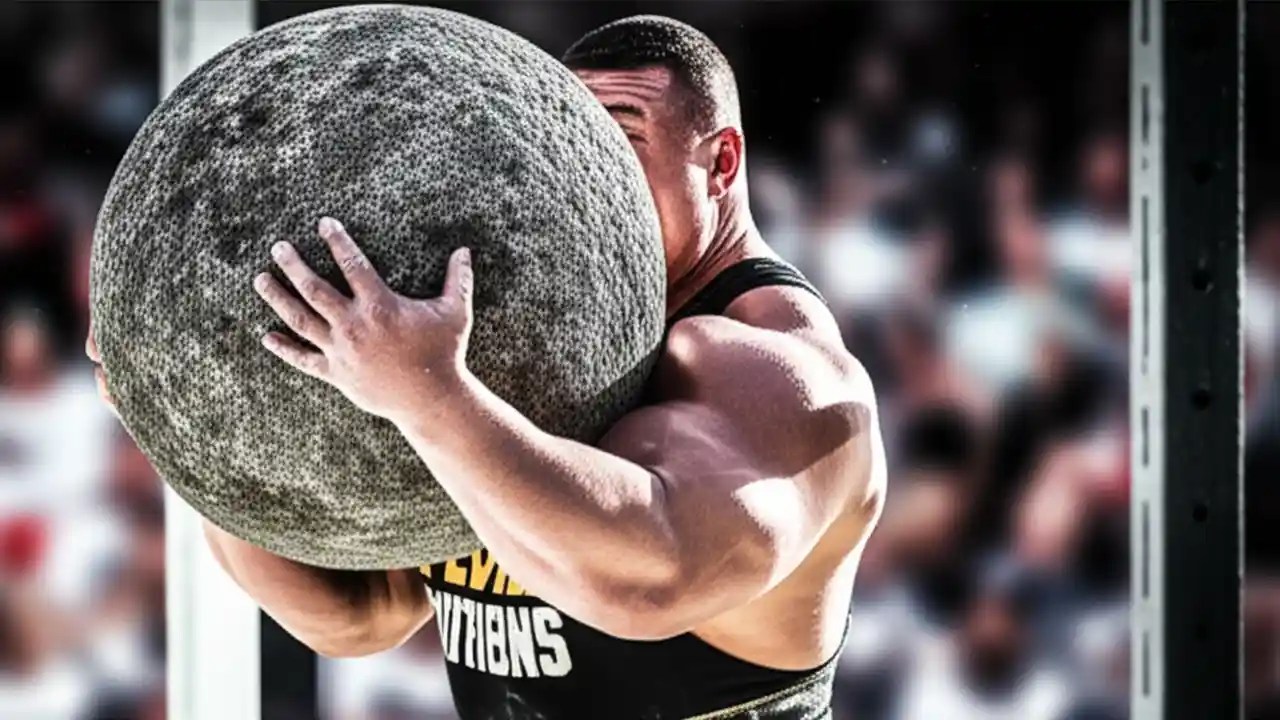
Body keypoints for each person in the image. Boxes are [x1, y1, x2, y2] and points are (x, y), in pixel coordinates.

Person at [87, 15, 886, 718]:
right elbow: (362, 615)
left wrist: (432, 399)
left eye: (622, 141)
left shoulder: (779, 375)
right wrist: (187, 413)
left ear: (722, 163)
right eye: (570, 145)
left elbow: (650, 581)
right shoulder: (519, 345)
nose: (589, 178)